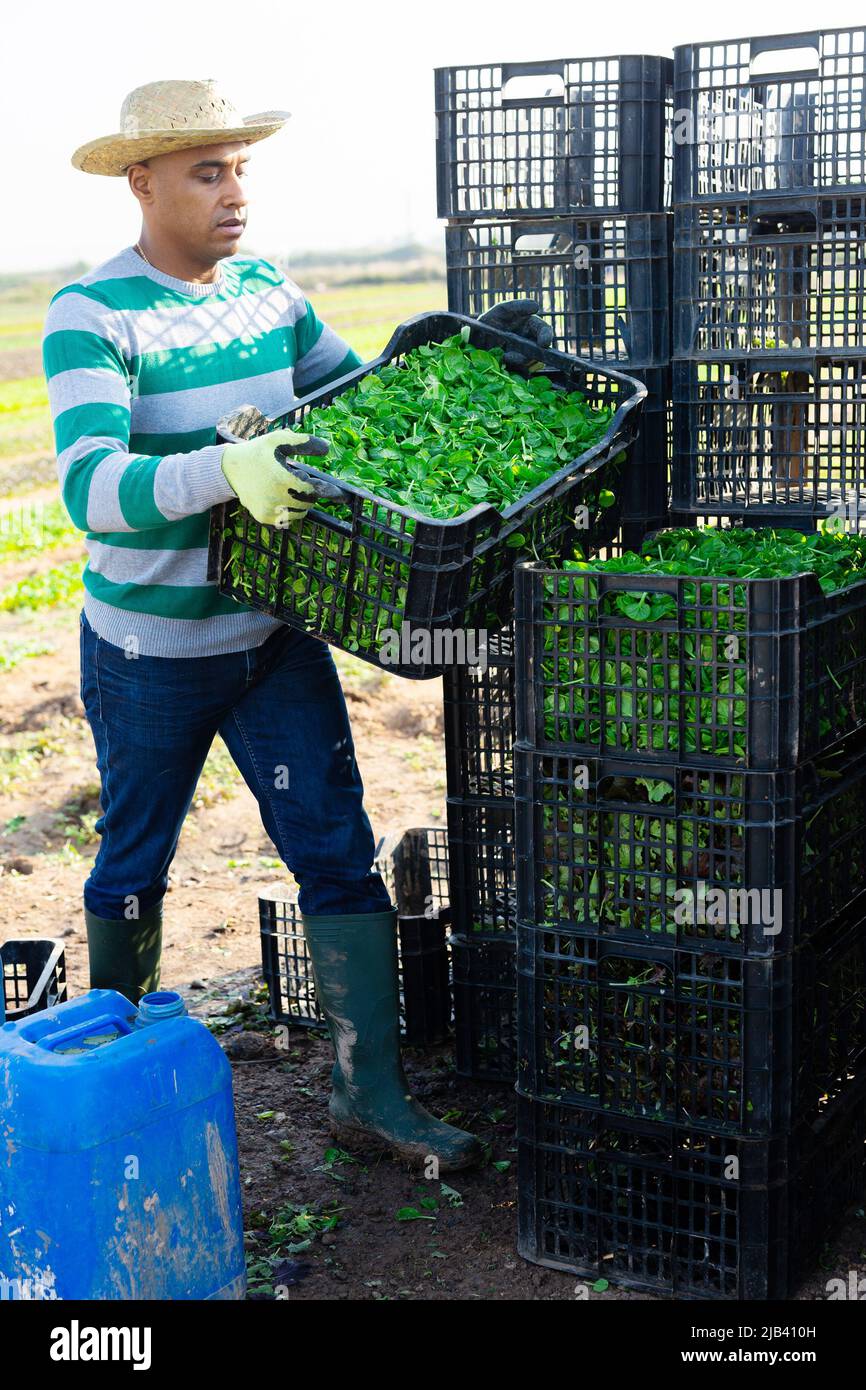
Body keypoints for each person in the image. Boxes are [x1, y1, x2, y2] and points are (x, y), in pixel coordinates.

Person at [42, 78, 551, 1173]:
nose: (234, 193)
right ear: (142, 181)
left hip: (275, 633)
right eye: (205, 171)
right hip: (151, 653)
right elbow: (90, 486)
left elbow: (364, 406)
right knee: (134, 856)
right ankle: (111, 1087)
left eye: (239, 169)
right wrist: (227, 467)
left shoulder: (269, 293)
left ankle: (367, 1094)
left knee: (334, 848)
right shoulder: (93, 315)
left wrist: (453, 357)